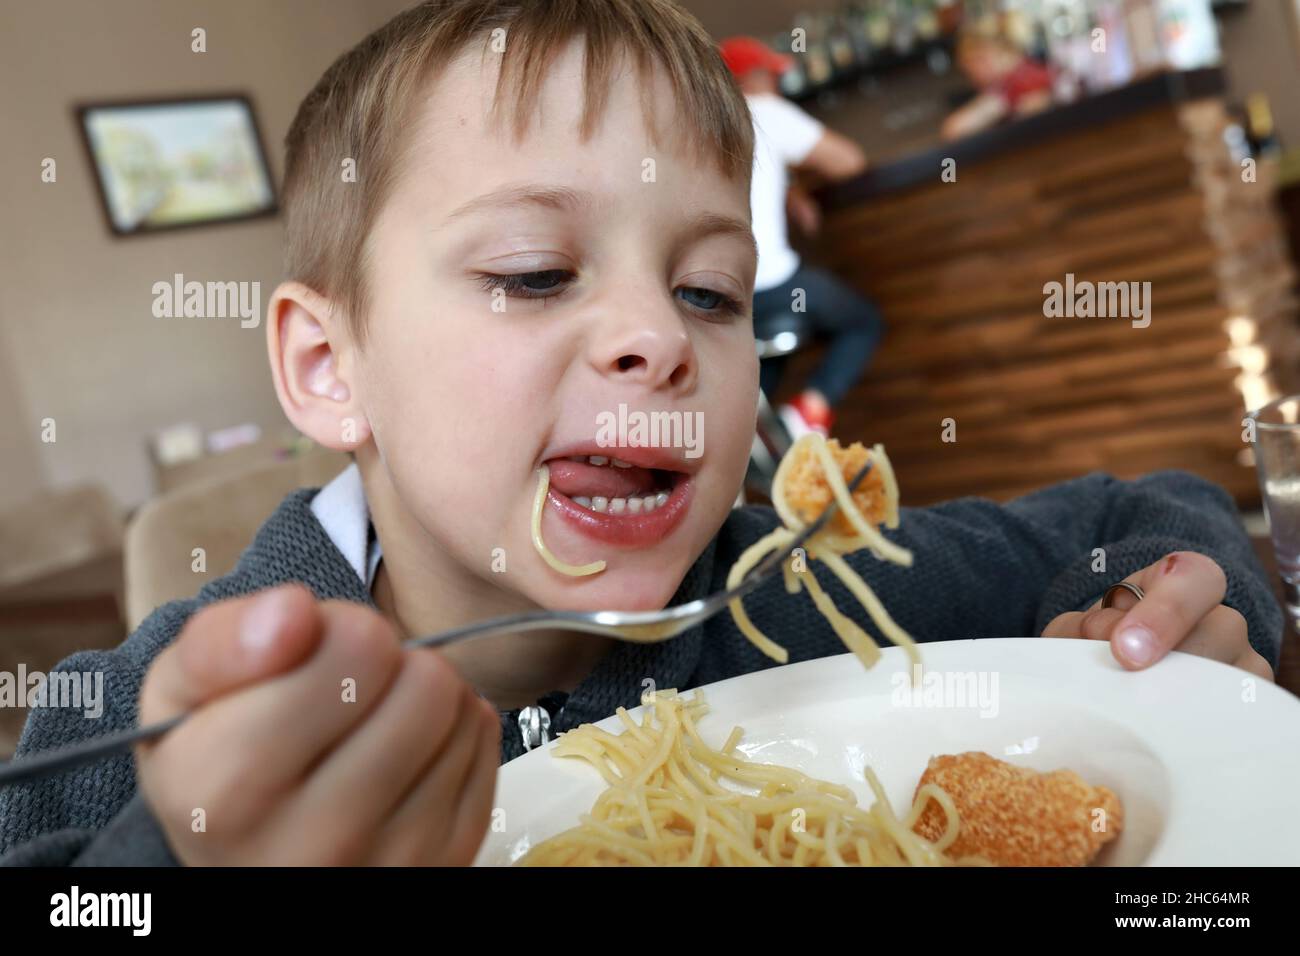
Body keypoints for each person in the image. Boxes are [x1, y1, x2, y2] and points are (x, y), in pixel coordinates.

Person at [0, 0, 1277, 867]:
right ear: (333, 367)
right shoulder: (126, 716)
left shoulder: (805, 595)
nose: (657, 338)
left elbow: (1143, 510)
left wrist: (1146, 617)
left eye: (710, 291)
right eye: (534, 270)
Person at [719, 35, 883, 439]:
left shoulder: (697, 121)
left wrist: (786, 185)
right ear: (754, 78)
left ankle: (746, 438)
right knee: (863, 322)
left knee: (762, 352)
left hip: (716, 298)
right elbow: (849, 162)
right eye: (773, 75)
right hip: (771, 285)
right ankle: (808, 413)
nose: (777, 85)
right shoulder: (763, 111)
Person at [941, 30, 1054, 141]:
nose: (974, 73)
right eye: (967, 69)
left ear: (1005, 51)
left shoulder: (1022, 79)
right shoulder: (1017, 78)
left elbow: (955, 129)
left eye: (977, 60)